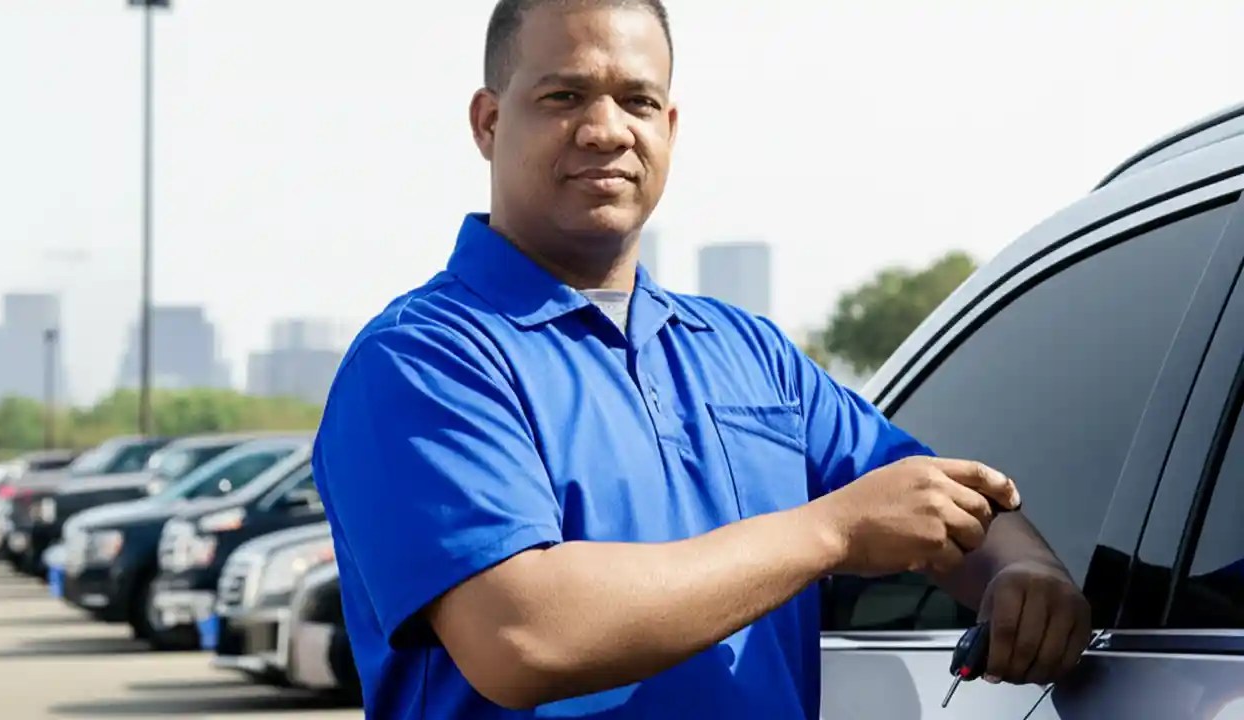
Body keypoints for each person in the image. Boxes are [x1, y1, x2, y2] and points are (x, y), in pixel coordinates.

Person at [312, 1, 1093, 717]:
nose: (605, 129)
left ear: (671, 126)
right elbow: (523, 636)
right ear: (487, 122)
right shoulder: (423, 359)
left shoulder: (749, 354)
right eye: (563, 97)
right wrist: (833, 533)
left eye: (638, 101)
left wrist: (1025, 577)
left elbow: (939, 502)